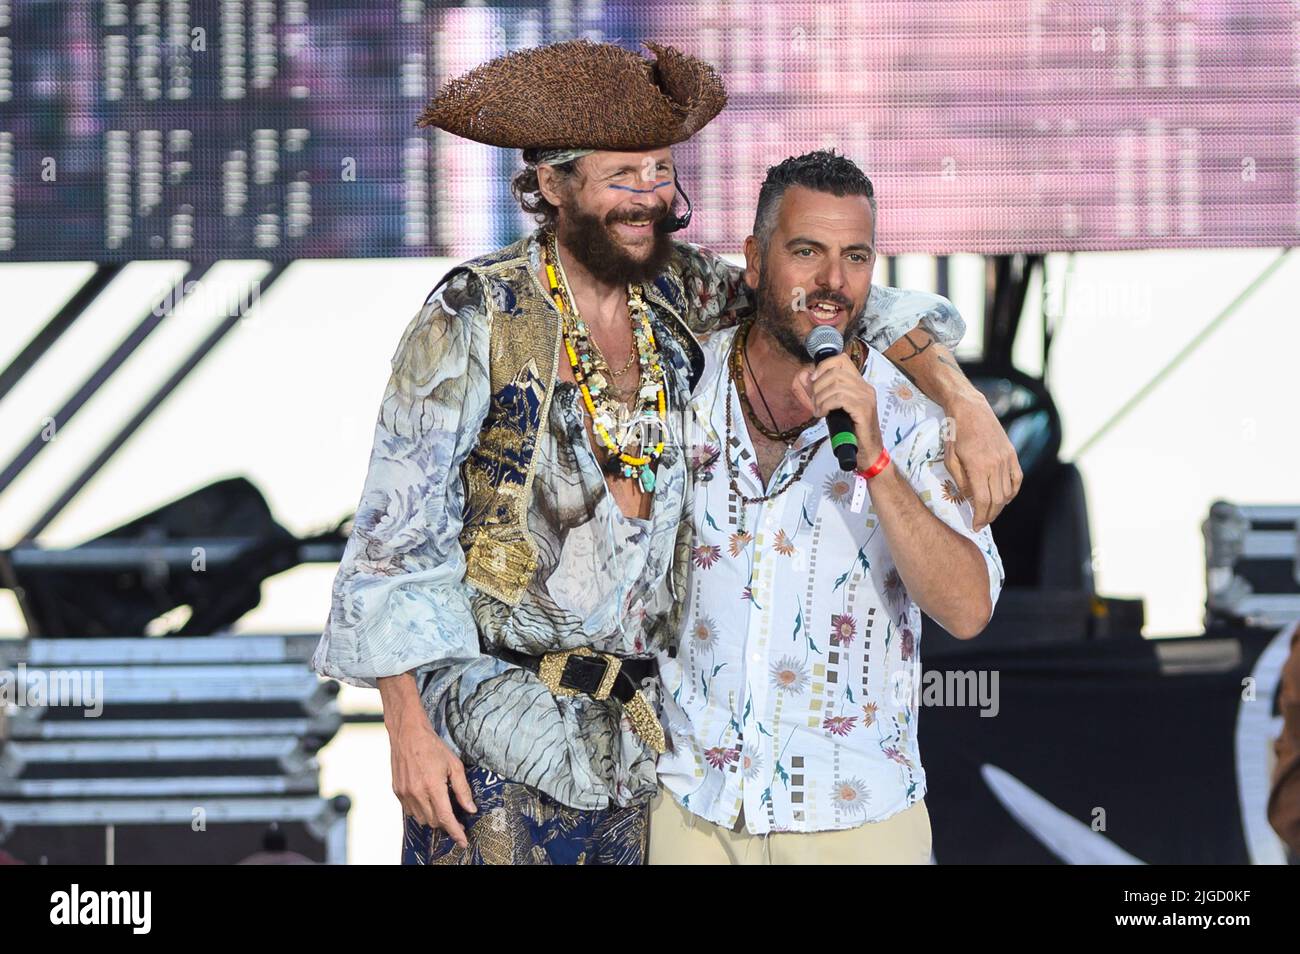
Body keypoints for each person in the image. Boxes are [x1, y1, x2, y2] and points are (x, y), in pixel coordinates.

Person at [312, 40, 1013, 865]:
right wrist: (406, 725)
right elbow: (395, 533)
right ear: (552, 185)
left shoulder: (681, 290)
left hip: (643, 760)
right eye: (622, 176)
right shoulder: (474, 315)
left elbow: (832, 293)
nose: (649, 197)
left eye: (659, 171)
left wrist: (961, 398)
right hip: (493, 741)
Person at [648, 151, 1006, 864]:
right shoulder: (681, 383)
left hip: (858, 820)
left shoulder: (910, 413)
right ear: (754, 260)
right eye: (806, 252)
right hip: (695, 811)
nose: (832, 282)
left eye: (856, 257)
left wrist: (876, 461)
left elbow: (968, 609)